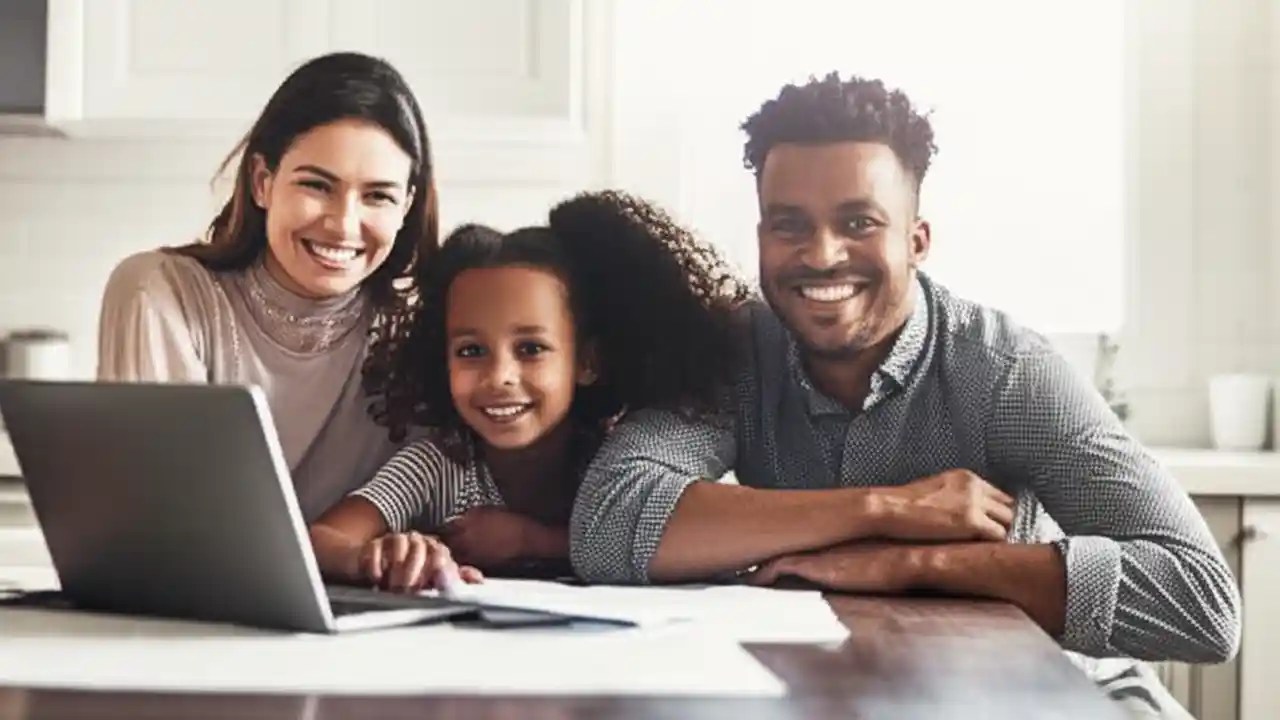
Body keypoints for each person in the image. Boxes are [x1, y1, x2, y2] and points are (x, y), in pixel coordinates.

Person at [569, 73, 1239, 719]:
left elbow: (1203, 604)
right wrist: (887, 507)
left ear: (916, 241)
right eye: (788, 225)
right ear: (761, 238)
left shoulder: (1008, 372)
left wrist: (914, 562)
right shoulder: (737, 351)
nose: (822, 254)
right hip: (851, 688)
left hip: (1055, 691)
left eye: (859, 223)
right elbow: (606, 525)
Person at [309, 191, 751, 592]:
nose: (500, 376)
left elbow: (687, 545)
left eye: (531, 349)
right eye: (471, 350)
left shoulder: (619, 461)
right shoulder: (438, 466)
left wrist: (532, 539)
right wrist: (375, 556)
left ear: (586, 362)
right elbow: (320, 539)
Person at [96, 52, 438, 521]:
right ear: (263, 181)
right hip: (195, 594)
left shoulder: (423, 330)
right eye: (317, 186)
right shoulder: (158, 293)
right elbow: (163, 520)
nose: (343, 224)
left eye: (378, 195)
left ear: (406, 206)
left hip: (369, 594)